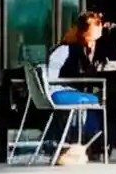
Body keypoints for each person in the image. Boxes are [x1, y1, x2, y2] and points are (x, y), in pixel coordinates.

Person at [44, 12, 107, 149]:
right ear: (83, 32)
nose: (93, 43)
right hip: (59, 90)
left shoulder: (81, 50)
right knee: (97, 100)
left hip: (65, 90)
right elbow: (53, 78)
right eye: (92, 38)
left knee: (99, 98)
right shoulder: (65, 50)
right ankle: (92, 141)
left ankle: (90, 141)